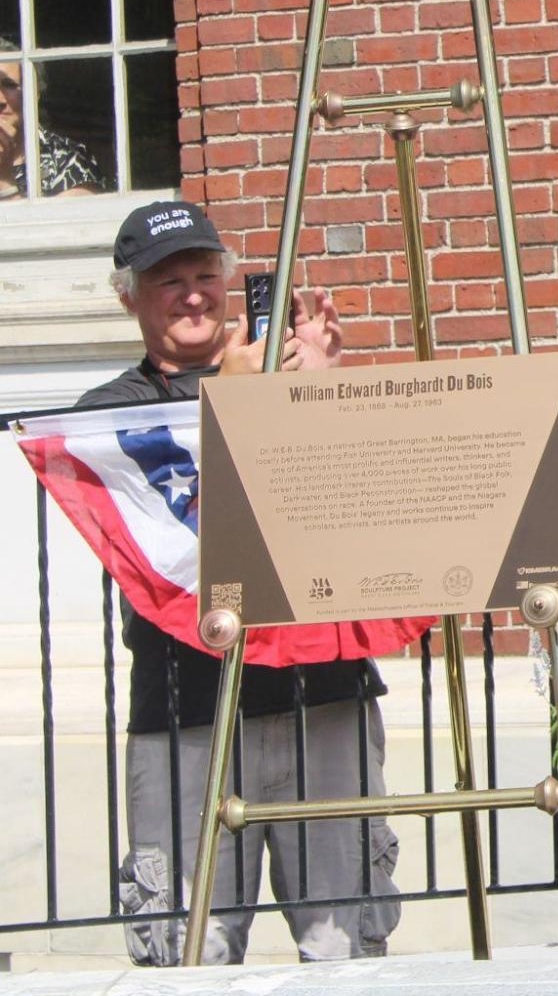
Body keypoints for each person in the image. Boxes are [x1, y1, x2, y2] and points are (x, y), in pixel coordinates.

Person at [78, 200, 400, 965]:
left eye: (204, 274)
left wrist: (320, 394)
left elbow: (362, 511)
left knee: (345, 945)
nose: (193, 294)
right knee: (190, 952)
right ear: (128, 295)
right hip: (186, 710)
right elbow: (190, 545)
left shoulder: (282, 379)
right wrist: (232, 394)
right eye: (167, 281)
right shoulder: (105, 414)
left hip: (324, 698)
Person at [0, 38, 107, 198]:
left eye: (8, 85)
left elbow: (70, 222)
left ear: (34, 92)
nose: (0, 100)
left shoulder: (67, 160)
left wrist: (4, 178)